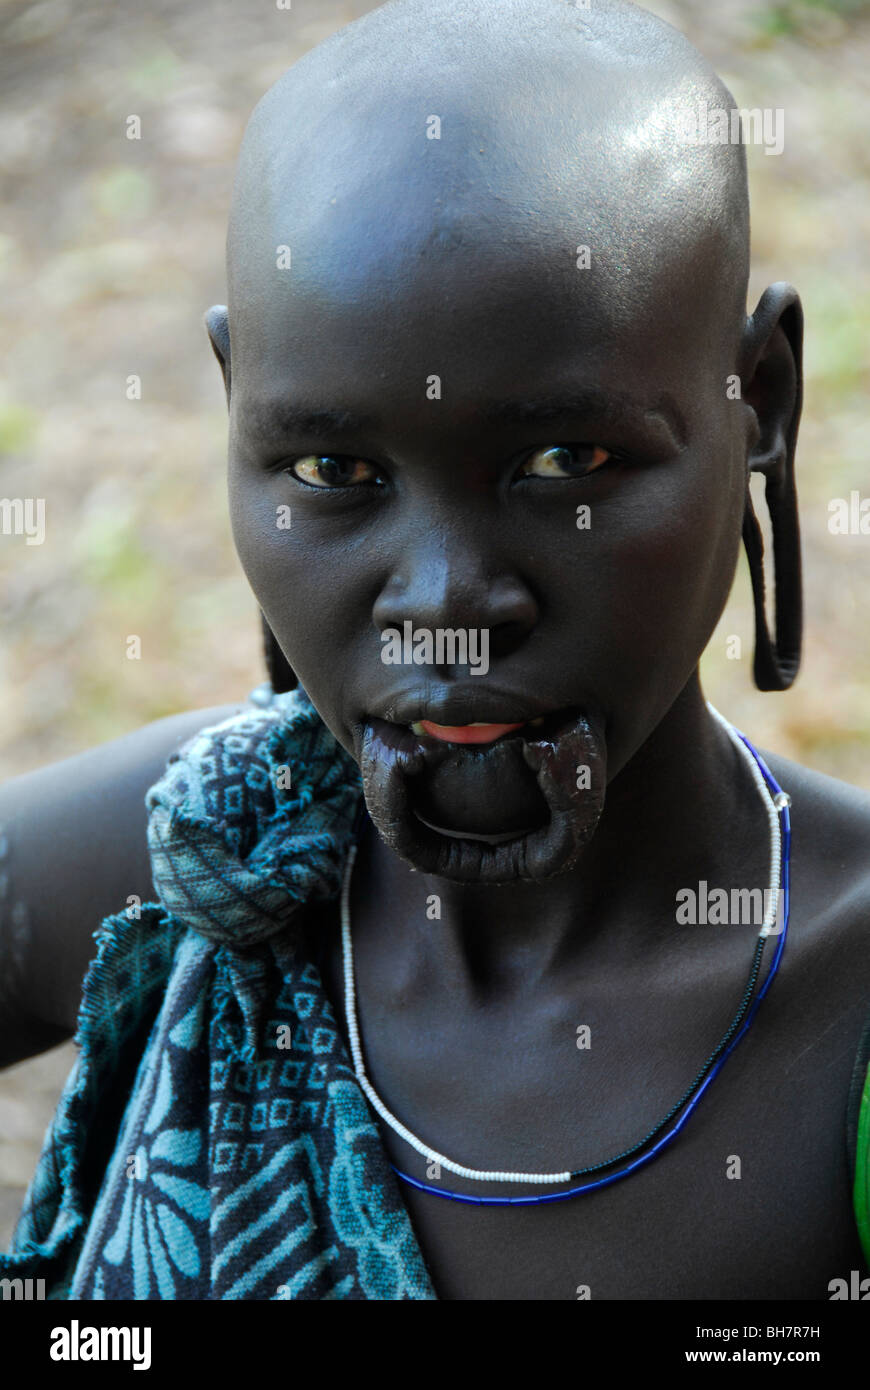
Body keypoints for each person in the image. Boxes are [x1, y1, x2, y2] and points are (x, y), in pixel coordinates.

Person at [1, 0, 869, 1300]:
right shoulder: (191, 864)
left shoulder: (843, 1017)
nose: (445, 603)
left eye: (564, 463)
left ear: (759, 401)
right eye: (331, 470)